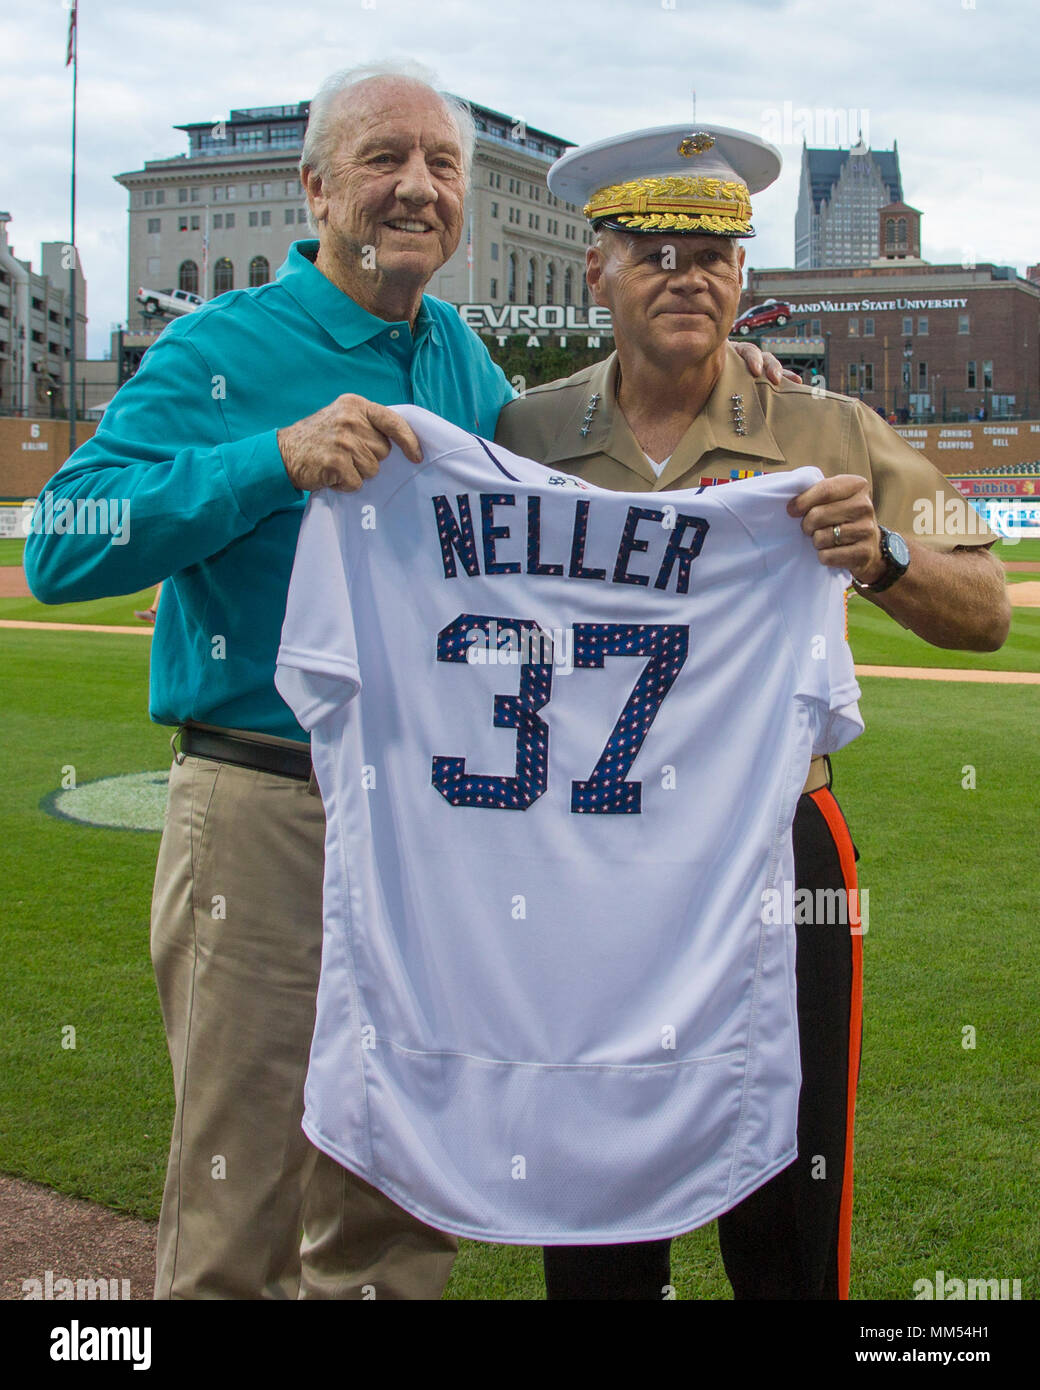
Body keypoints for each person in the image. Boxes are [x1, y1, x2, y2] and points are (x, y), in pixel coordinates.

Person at [23, 69, 782, 1301]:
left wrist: (740, 387)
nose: (417, 188)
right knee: (241, 1201)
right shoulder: (221, 347)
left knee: (394, 1201)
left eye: (441, 166)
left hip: (432, 828)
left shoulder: (462, 360)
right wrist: (269, 458)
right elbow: (62, 539)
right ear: (315, 187)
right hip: (267, 803)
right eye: (385, 159)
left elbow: (560, 536)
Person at [494, 123, 1011, 1300]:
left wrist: (880, 558)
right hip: (588, 854)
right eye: (652, 248)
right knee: (592, 1202)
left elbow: (982, 605)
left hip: (775, 844)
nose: (686, 272)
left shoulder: (822, 428)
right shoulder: (526, 437)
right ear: (597, 269)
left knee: (786, 1192)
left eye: (712, 249)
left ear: (742, 275)